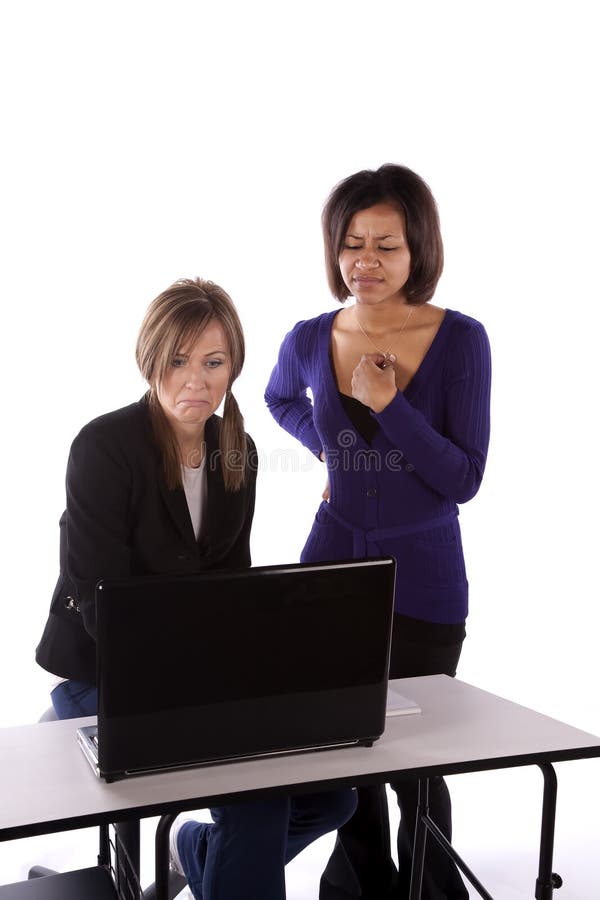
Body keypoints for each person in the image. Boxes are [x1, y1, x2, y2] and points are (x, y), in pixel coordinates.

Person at [36, 277, 357, 900]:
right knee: (257, 807)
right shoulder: (105, 446)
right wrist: (197, 695)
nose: (197, 380)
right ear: (150, 359)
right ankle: (215, 860)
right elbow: (98, 594)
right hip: (103, 676)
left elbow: (231, 588)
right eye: (178, 360)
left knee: (332, 797)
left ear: (233, 365)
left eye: (214, 362)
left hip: (201, 681)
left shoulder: (238, 452)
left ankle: (201, 852)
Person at [265, 165, 492, 900]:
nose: (365, 262)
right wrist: (329, 446)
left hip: (426, 577)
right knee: (342, 748)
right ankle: (362, 884)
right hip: (329, 570)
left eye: (386, 246)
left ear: (417, 249)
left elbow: (463, 477)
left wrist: (391, 406)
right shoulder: (308, 337)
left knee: (418, 762)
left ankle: (431, 886)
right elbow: (276, 399)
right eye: (352, 244)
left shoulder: (460, 341)